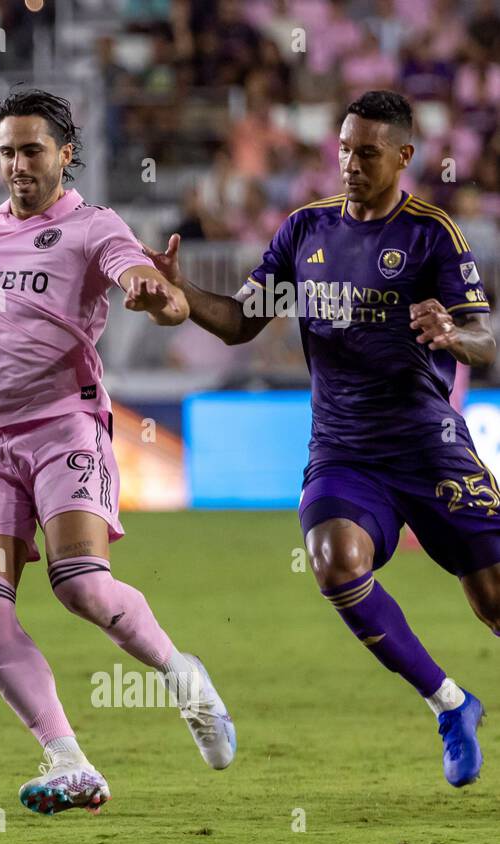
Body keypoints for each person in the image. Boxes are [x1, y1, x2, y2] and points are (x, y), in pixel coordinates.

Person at [0, 88, 236, 816]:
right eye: (7, 152)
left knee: (81, 586)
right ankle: (69, 761)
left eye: (32, 150)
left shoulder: (94, 227)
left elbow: (152, 287)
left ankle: (184, 679)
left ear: (64, 153)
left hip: (63, 426)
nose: (19, 165)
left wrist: (159, 296)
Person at [142, 90, 495, 788]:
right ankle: (450, 704)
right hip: (344, 449)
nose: (349, 163)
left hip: (429, 447)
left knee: (493, 599)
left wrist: (456, 333)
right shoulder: (305, 231)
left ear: (403, 157)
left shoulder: (433, 234)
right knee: (333, 560)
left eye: (366, 152)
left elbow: (485, 334)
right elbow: (244, 319)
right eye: (342, 148)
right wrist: (181, 298)